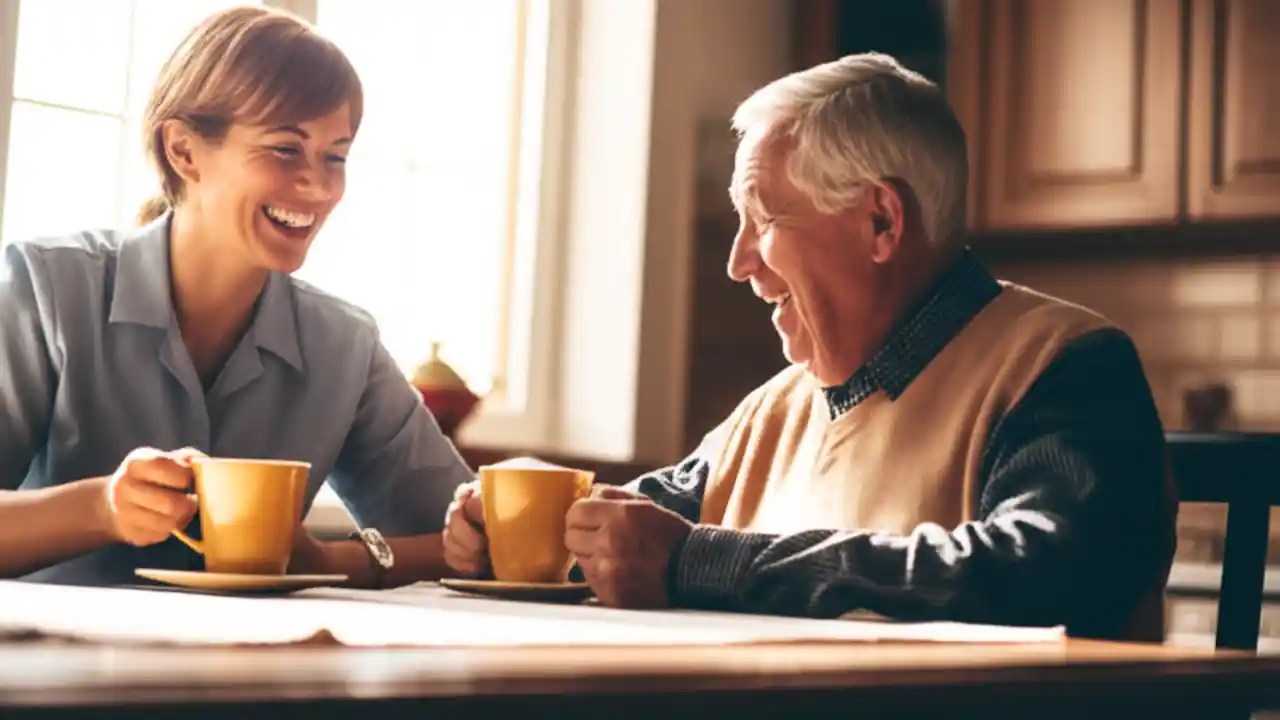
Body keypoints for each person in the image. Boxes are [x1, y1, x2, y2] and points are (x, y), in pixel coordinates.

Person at [443, 53, 1177, 640]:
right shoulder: (775, 408)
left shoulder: (1066, 365)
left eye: (762, 218)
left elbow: (1049, 572)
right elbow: (634, 535)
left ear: (882, 223)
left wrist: (704, 562)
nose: (737, 262)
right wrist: (520, 542)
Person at [0, 6, 472, 586]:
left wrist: (336, 559)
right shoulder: (45, 289)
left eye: (336, 156)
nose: (320, 186)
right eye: (285, 148)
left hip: (253, 672)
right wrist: (102, 508)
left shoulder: (344, 345)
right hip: (45, 668)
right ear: (184, 151)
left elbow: (468, 541)